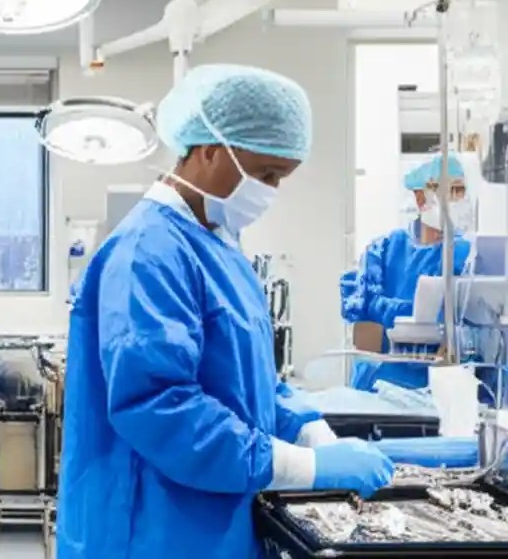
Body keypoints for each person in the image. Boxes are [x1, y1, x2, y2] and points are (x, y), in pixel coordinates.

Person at [55, 65, 394, 559]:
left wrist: (308, 429)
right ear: (210, 150)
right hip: (151, 528)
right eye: (266, 174)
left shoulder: (221, 246)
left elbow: (249, 381)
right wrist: (302, 467)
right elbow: (159, 407)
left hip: (214, 520)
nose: (271, 190)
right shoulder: (148, 251)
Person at [341, 153, 475, 390]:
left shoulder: (467, 254)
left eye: (460, 191)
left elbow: (471, 325)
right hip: (381, 384)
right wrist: (424, 317)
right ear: (421, 197)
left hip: (443, 386)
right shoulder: (384, 250)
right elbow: (364, 324)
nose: (456, 199)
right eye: (448, 190)